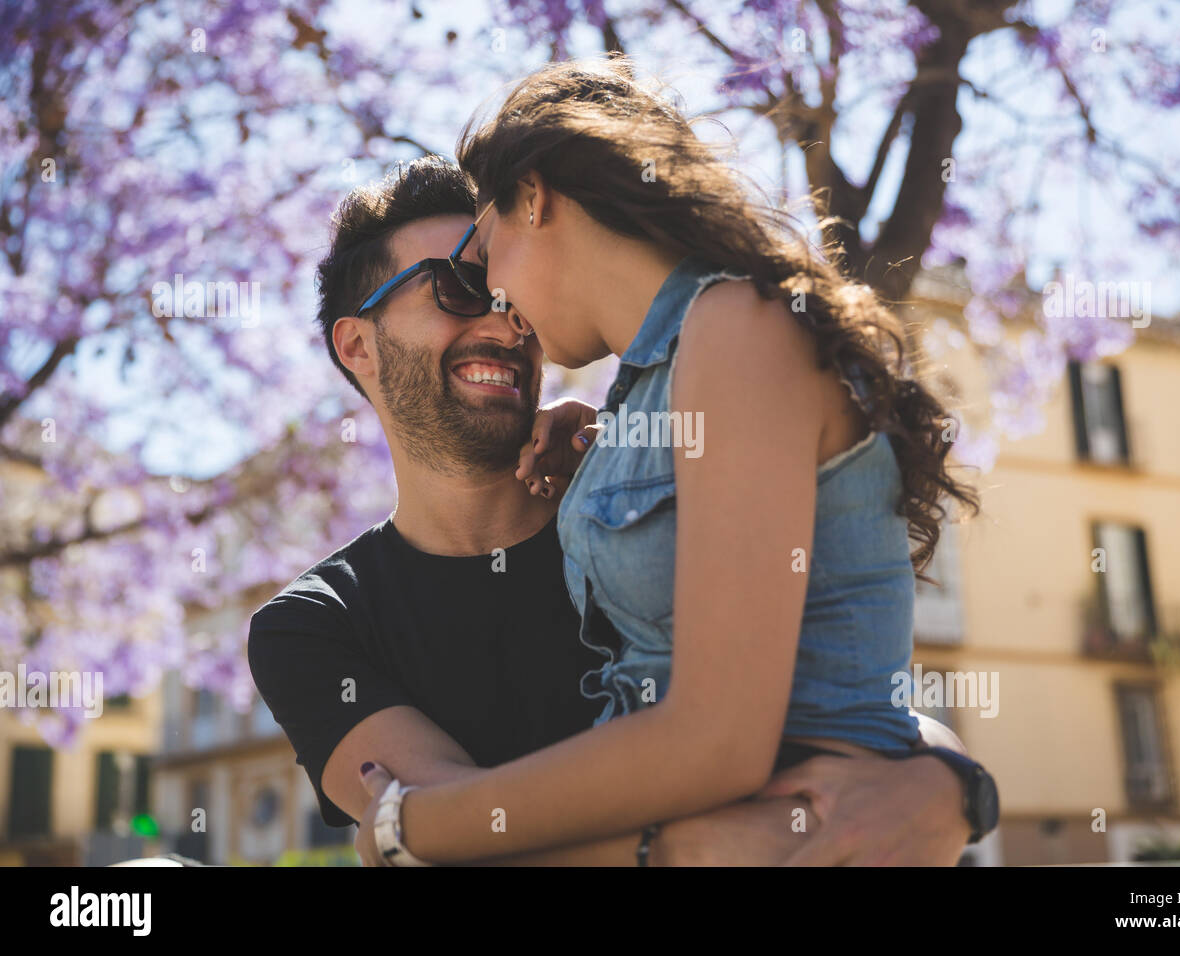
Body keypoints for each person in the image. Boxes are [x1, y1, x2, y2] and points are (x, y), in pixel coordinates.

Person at [239, 154, 983, 867]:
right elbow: (447, 828)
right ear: (358, 344)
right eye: (460, 288)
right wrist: (675, 854)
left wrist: (945, 783)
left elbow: (815, 693)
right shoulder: (313, 627)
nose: (505, 324)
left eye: (508, 292)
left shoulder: (638, 518)